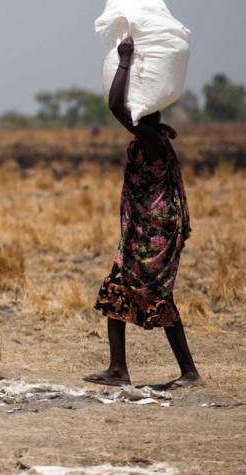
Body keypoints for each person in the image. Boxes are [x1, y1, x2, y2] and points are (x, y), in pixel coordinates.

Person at [84, 36, 201, 389]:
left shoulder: (152, 140)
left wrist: (124, 60)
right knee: (127, 291)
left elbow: (115, 106)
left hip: (153, 232)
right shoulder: (153, 137)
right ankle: (124, 369)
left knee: (133, 290)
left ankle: (175, 372)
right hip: (146, 229)